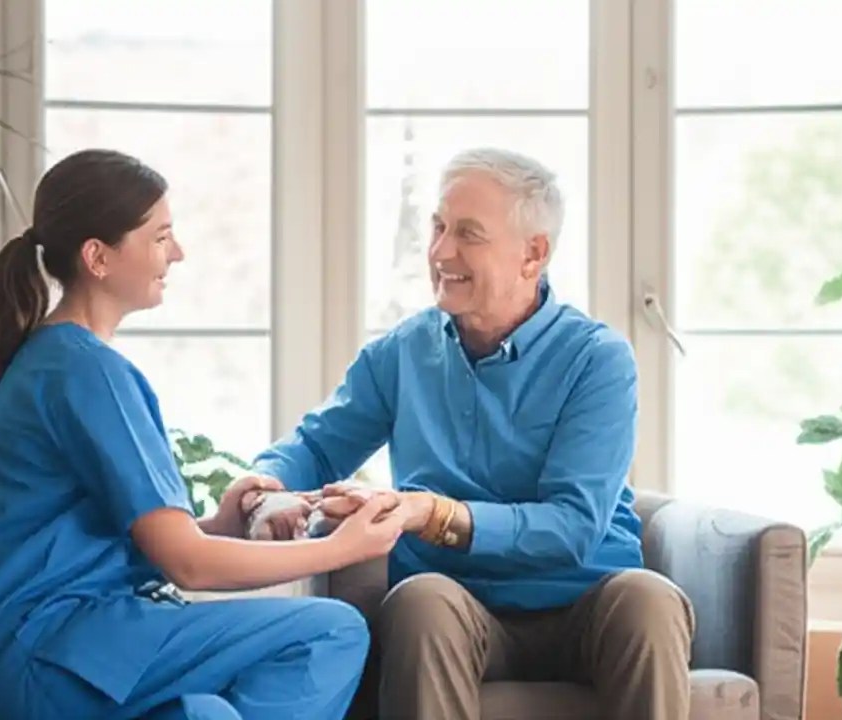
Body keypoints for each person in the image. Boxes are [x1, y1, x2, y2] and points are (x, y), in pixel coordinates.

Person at [0, 149, 405, 720]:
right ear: (97, 257)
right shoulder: (89, 371)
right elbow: (187, 566)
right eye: (159, 237)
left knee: (203, 715)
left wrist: (217, 527)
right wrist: (340, 548)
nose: (178, 253)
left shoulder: (36, 362)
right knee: (333, 631)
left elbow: (76, 542)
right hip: (35, 660)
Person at [248, 148, 695, 719]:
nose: (439, 252)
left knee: (649, 599)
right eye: (438, 227)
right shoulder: (404, 352)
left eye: (468, 234)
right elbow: (314, 445)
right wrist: (266, 488)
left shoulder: (596, 359)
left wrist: (431, 513)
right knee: (421, 601)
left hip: (587, 603)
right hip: (458, 608)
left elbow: (573, 526)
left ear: (533, 254)